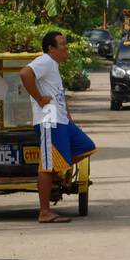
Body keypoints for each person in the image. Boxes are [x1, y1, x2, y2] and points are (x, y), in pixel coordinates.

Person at [19, 31, 96, 224]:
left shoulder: (54, 66)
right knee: (46, 167)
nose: (66, 46)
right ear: (50, 48)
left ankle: (57, 174)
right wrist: (38, 98)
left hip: (61, 121)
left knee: (87, 146)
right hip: (49, 121)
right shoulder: (44, 61)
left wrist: (68, 118)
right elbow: (24, 73)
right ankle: (44, 212)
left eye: (66, 43)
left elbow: (58, 95)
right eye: (62, 44)